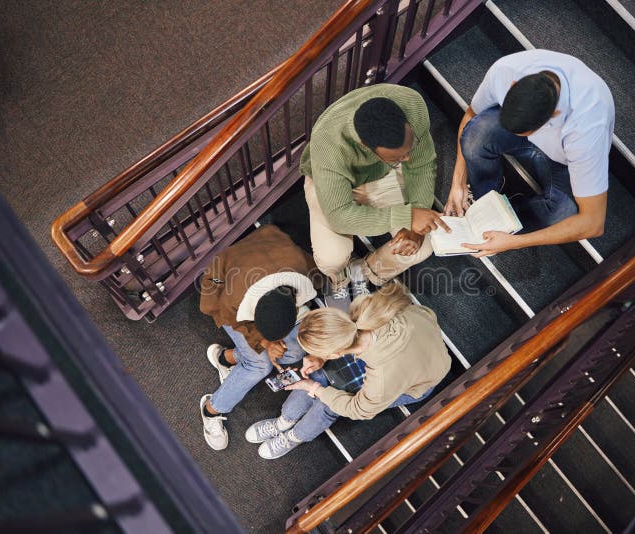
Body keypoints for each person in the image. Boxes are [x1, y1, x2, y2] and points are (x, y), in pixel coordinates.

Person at [244, 284, 451, 459]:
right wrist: (321, 358)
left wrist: (315, 388)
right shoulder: (370, 313)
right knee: (318, 375)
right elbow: (425, 312)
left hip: (416, 383)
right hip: (414, 345)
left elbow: (358, 409)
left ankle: (294, 436)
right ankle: (284, 420)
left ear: (338, 353)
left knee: (332, 402)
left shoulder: (381, 380)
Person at [445, 50, 614, 257]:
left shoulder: (587, 128)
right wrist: (458, 181)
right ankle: (483, 200)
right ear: (514, 85)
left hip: (566, 162)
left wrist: (514, 242)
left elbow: (593, 223)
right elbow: (472, 114)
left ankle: (507, 223)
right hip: (542, 130)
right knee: (476, 134)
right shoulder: (505, 70)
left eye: (524, 132)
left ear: (554, 115)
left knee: (563, 213)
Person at [299, 83, 450, 309]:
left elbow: (422, 164)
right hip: (331, 187)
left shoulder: (412, 104)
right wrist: (406, 216)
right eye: (399, 156)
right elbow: (340, 216)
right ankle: (338, 280)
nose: (408, 158)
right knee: (332, 259)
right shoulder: (329, 144)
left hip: (381, 174)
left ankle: (365, 271)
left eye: (409, 149)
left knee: (422, 247)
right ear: (364, 146)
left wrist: (416, 222)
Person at [197, 224, 320, 450]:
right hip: (220, 284)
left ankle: (227, 358)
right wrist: (263, 342)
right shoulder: (232, 300)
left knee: (292, 350)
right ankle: (211, 409)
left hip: (263, 274)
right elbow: (210, 302)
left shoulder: (305, 270)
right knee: (259, 366)